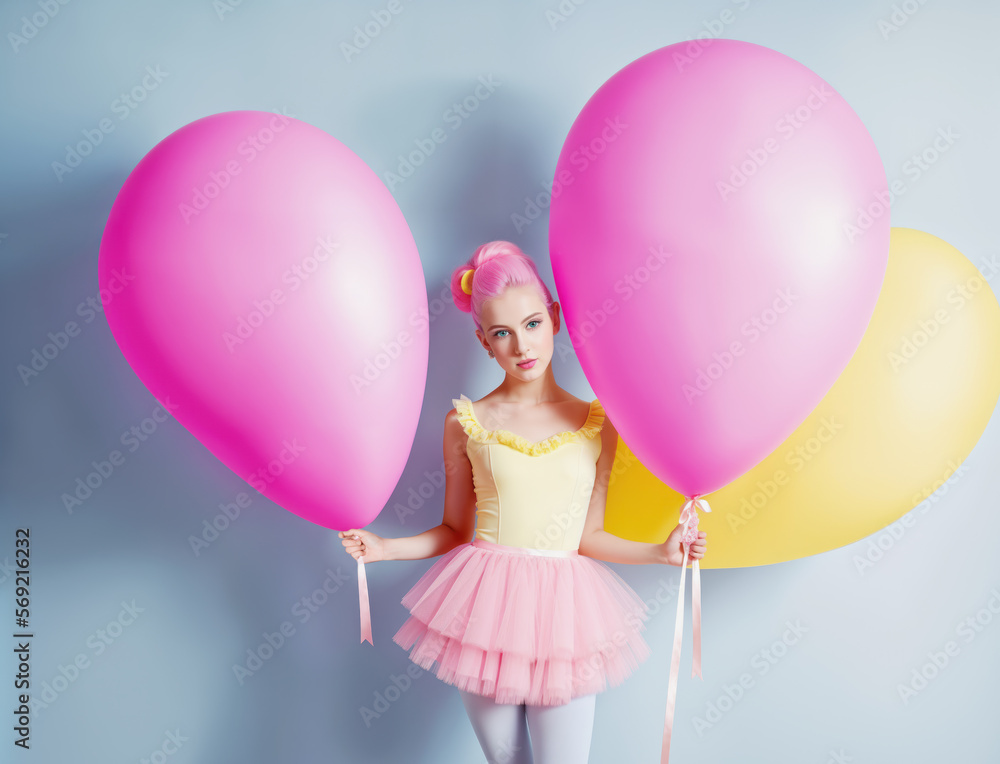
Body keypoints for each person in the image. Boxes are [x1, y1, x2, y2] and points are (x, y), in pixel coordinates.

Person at [339, 240, 707, 764]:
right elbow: (453, 530)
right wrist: (383, 548)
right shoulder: (465, 424)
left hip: (567, 614)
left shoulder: (597, 425)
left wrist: (662, 553)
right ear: (484, 342)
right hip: (484, 608)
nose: (521, 346)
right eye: (502, 334)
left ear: (554, 317)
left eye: (532, 324)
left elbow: (589, 537)